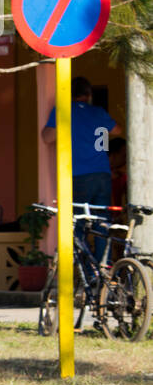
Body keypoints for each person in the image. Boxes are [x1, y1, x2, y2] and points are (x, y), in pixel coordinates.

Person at [42, 76, 121, 261]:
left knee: (77, 225)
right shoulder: (99, 112)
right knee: (101, 223)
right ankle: (104, 267)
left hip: (78, 175)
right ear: (89, 95)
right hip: (102, 174)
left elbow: (47, 138)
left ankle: (86, 271)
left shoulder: (63, 111)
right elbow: (117, 130)